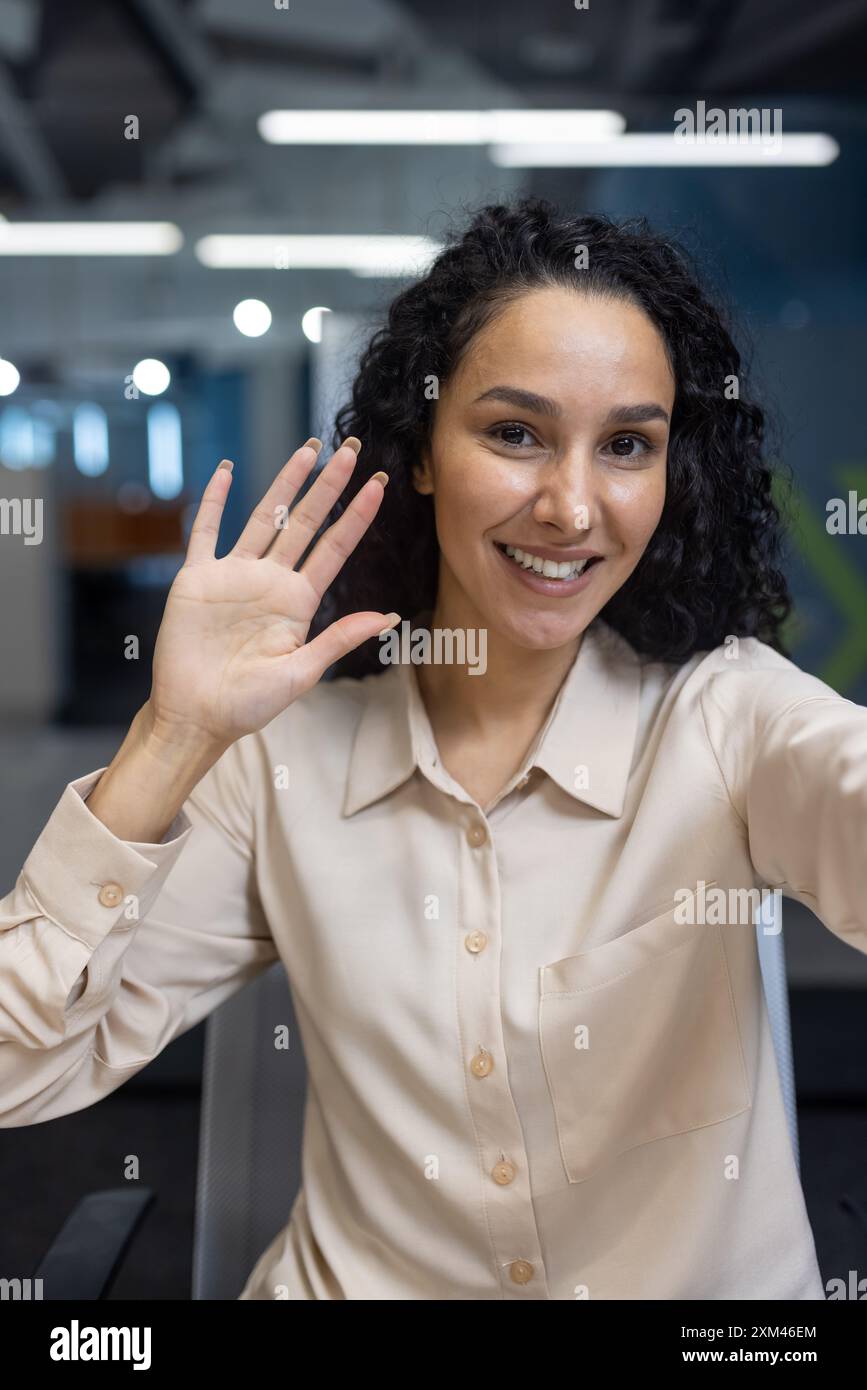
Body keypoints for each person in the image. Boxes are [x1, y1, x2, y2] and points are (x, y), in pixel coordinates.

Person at [1, 196, 865, 1301]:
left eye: (628, 446)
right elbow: (16, 1065)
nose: (570, 505)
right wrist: (173, 739)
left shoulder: (732, 716)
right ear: (418, 453)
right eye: (515, 433)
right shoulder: (282, 762)